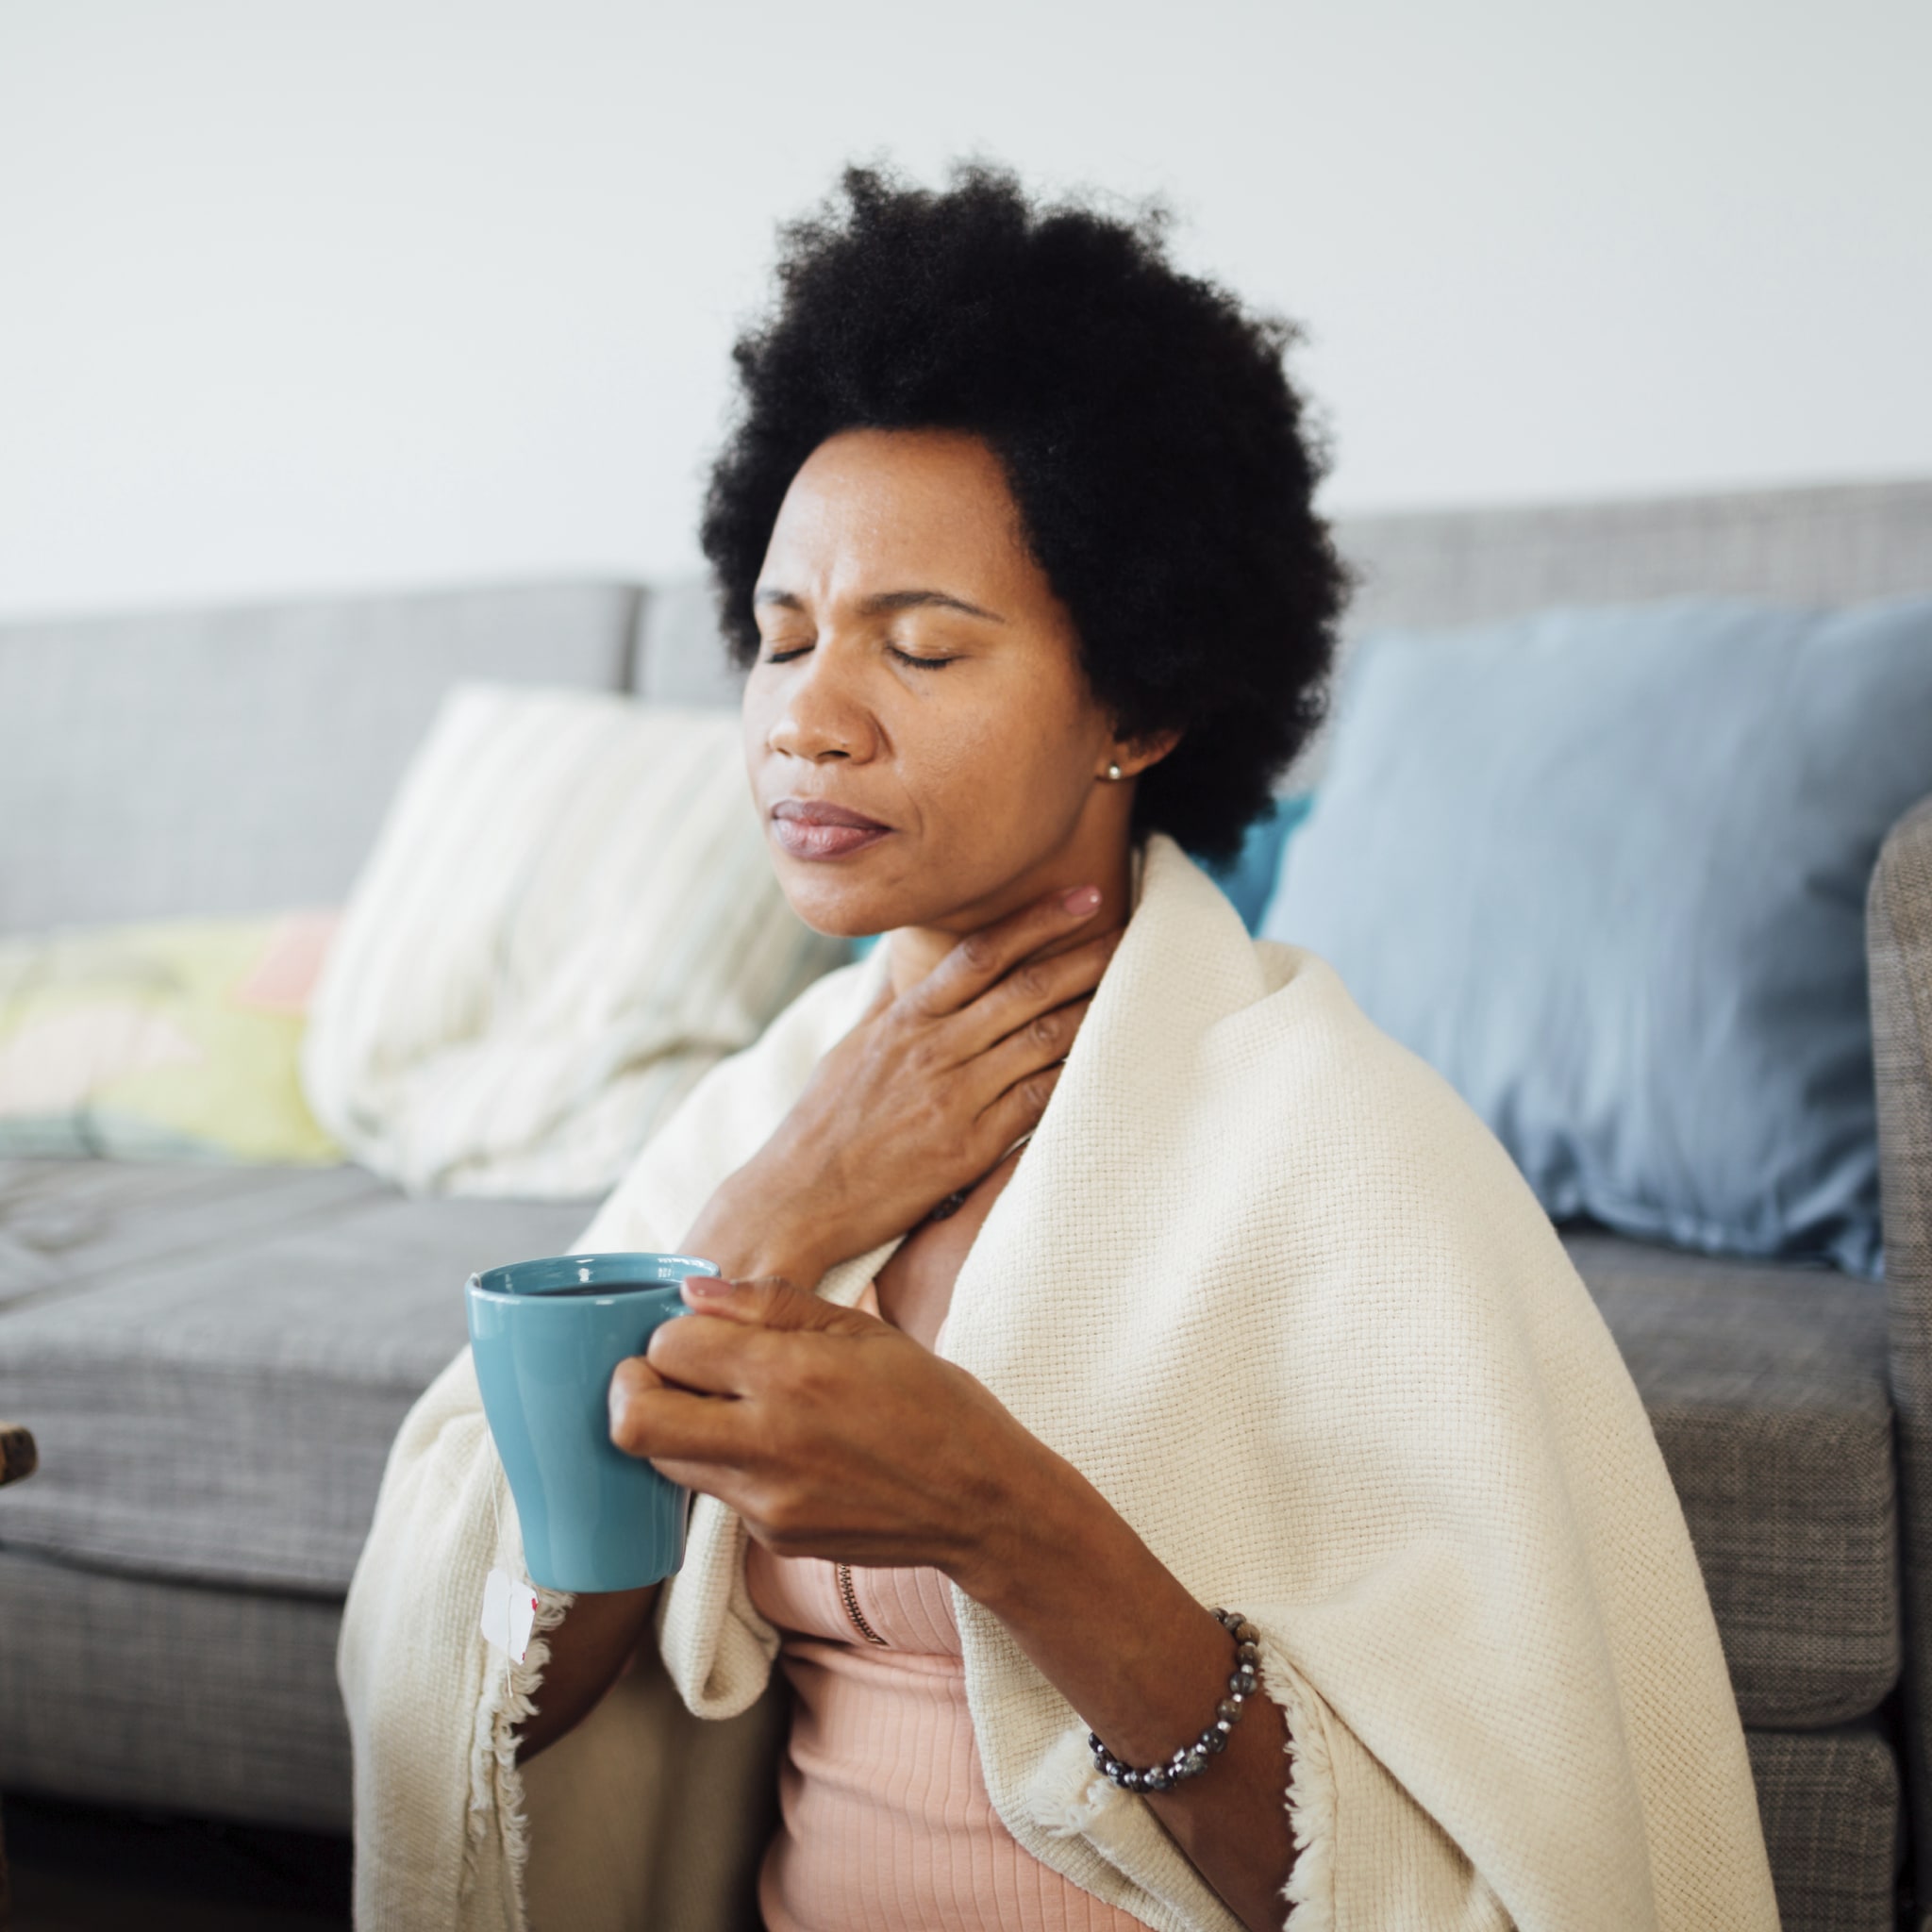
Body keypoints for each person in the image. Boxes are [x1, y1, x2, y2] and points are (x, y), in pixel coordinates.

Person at [341, 165, 1777, 1932]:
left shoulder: (1340, 1150)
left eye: (922, 646)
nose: (809, 712)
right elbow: (507, 1720)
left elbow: (1469, 1890)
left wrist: (1003, 1520)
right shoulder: (769, 1112)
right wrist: (775, 1217)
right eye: (781, 637)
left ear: (1145, 704)